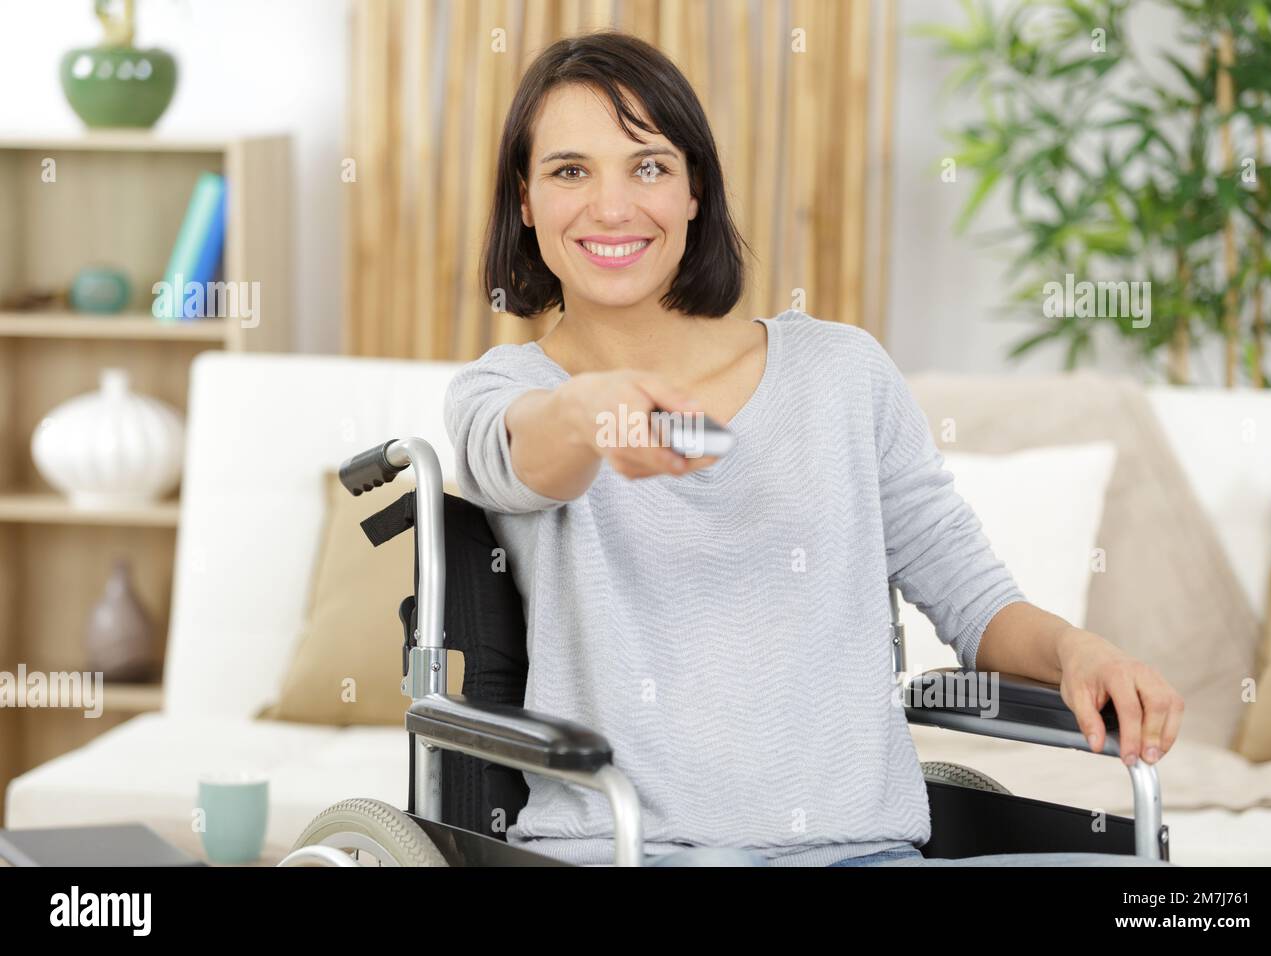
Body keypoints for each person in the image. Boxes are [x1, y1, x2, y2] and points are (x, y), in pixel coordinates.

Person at [445, 30, 1181, 868]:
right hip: (634, 850)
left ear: (693, 191)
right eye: (570, 170)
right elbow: (526, 455)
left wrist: (1080, 652)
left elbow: (973, 601)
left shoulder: (841, 373)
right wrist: (591, 415)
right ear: (527, 199)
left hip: (862, 852)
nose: (612, 206)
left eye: (648, 166)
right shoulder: (504, 392)